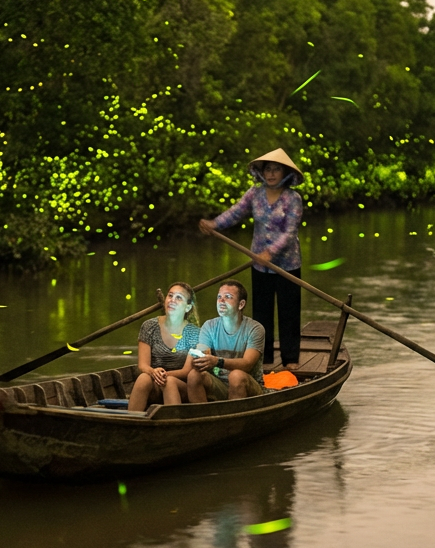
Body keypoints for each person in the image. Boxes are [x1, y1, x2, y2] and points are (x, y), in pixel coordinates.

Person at [198, 148, 304, 369]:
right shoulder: (254, 194)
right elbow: (235, 212)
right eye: (268, 169)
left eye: (276, 169)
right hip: (259, 265)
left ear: (284, 172)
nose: (272, 174)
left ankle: (290, 359)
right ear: (262, 172)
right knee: (261, 313)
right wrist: (214, 224)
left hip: (288, 265)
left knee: (288, 312)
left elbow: (290, 232)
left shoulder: (292, 199)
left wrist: (270, 253)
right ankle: (262, 359)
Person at [186, 279, 265, 402]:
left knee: (236, 376)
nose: (221, 301)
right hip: (219, 384)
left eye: (228, 297)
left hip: (249, 386)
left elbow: (247, 364)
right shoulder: (209, 326)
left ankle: (234, 420)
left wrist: (217, 361)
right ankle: (203, 418)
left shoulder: (255, 328)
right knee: (193, 375)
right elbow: (203, 350)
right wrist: (200, 358)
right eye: (219, 297)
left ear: (241, 304)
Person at [127, 282, 201, 413]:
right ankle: (131, 421)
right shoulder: (149, 326)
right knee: (143, 378)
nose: (172, 300)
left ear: (188, 307)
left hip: (180, 386)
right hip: (154, 382)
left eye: (179, 298)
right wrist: (153, 372)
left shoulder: (194, 333)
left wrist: (163, 375)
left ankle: (173, 423)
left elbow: (187, 371)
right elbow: (143, 365)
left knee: (169, 381)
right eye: (170, 296)